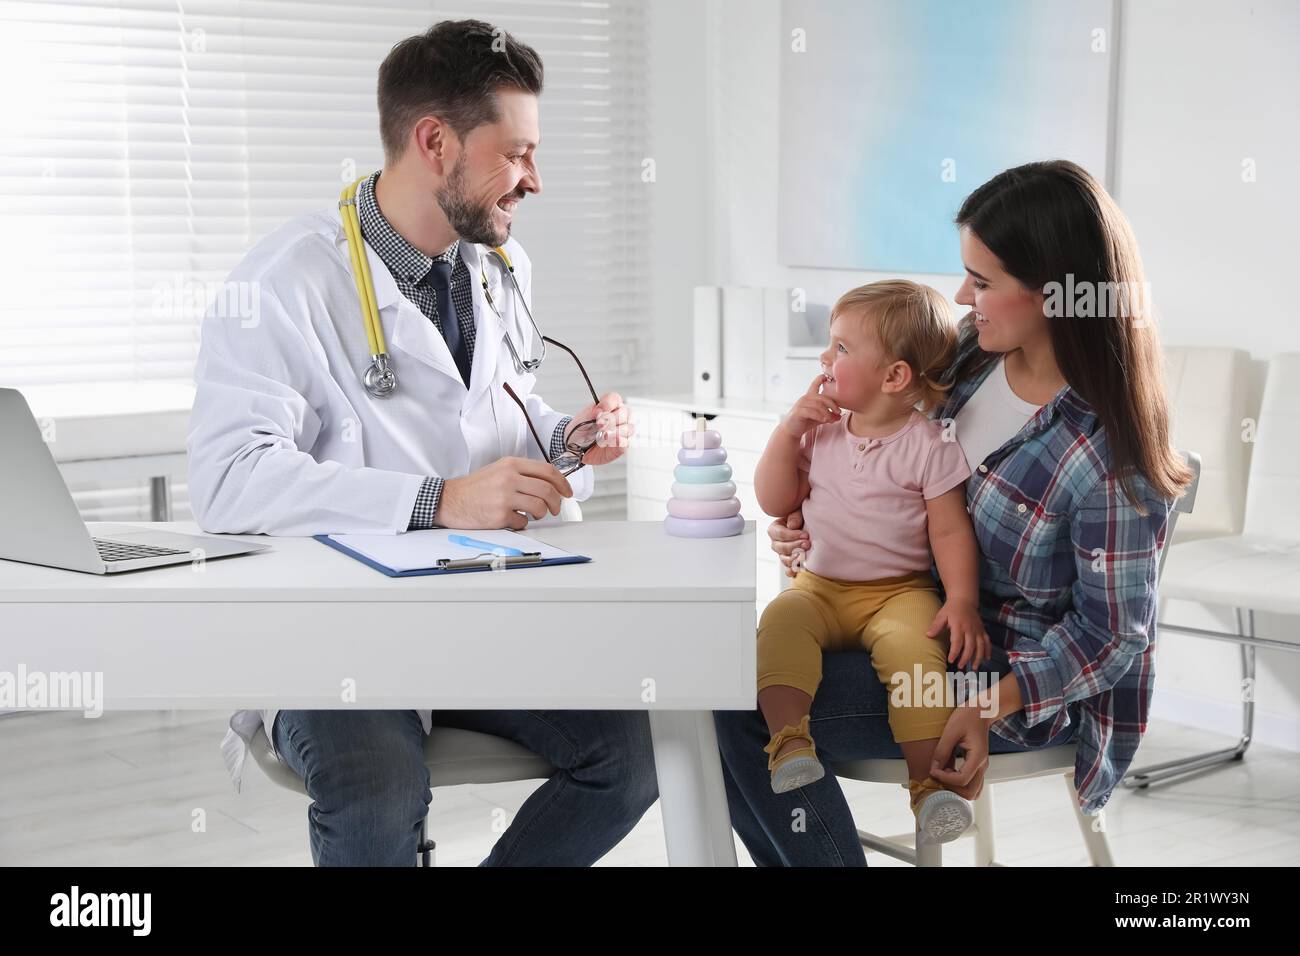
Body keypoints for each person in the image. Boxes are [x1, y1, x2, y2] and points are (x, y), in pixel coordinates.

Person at [188, 19, 655, 866]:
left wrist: (571, 440)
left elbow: (501, 415)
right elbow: (231, 479)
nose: (535, 180)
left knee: (632, 759)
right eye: (515, 154)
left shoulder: (497, 264)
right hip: (338, 634)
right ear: (434, 141)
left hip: (483, 616)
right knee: (378, 797)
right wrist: (438, 501)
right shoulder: (284, 279)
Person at [715, 159, 1194, 866]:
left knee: (732, 703)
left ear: (1057, 294)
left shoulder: (1107, 453)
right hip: (900, 610)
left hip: (999, 672)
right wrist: (818, 513)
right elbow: (885, 460)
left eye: (985, 280)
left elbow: (1114, 634)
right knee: (725, 672)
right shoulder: (969, 355)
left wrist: (992, 700)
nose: (963, 295)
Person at [753, 280, 988, 845]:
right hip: (820, 588)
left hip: (899, 593)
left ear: (894, 377)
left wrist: (960, 600)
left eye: (840, 348)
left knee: (916, 661)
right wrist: (789, 432)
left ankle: (928, 787)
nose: (824, 359)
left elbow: (950, 529)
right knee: (779, 626)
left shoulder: (931, 444)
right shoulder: (821, 433)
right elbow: (773, 499)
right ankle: (790, 741)